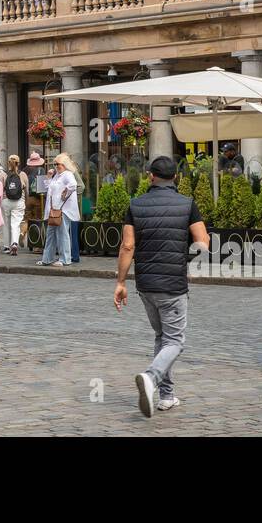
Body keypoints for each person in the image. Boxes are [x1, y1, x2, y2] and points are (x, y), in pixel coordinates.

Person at [114, 155, 209, 417]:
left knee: (162, 337)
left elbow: (128, 246)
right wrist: (184, 258)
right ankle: (151, 377)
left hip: (146, 284)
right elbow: (203, 242)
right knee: (176, 341)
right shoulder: (187, 203)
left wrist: (121, 282)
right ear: (175, 178)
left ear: (150, 176)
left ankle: (166, 396)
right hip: (173, 283)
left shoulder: (136, 205)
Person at [37, 152, 78, 268]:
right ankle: (47, 258)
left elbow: (73, 185)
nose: (55, 166)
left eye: (57, 164)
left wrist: (65, 194)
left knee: (62, 233)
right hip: (54, 209)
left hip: (63, 209)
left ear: (64, 164)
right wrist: (49, 177)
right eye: (54, 164)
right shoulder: (57, 175)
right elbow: (49, 188)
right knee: (51, 234)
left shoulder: (67, 174)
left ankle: (65, 259)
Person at [0, 154, 29, 257]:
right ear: (19, 163)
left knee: (6, 224)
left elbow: (0, 190)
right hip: (19, 201)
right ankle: (14, 243)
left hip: (6, 201)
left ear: (8, 163)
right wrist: (26, 202)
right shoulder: (23, 174)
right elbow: (27, 191)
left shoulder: (3, 174)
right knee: (15, 224)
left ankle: (7, 247)